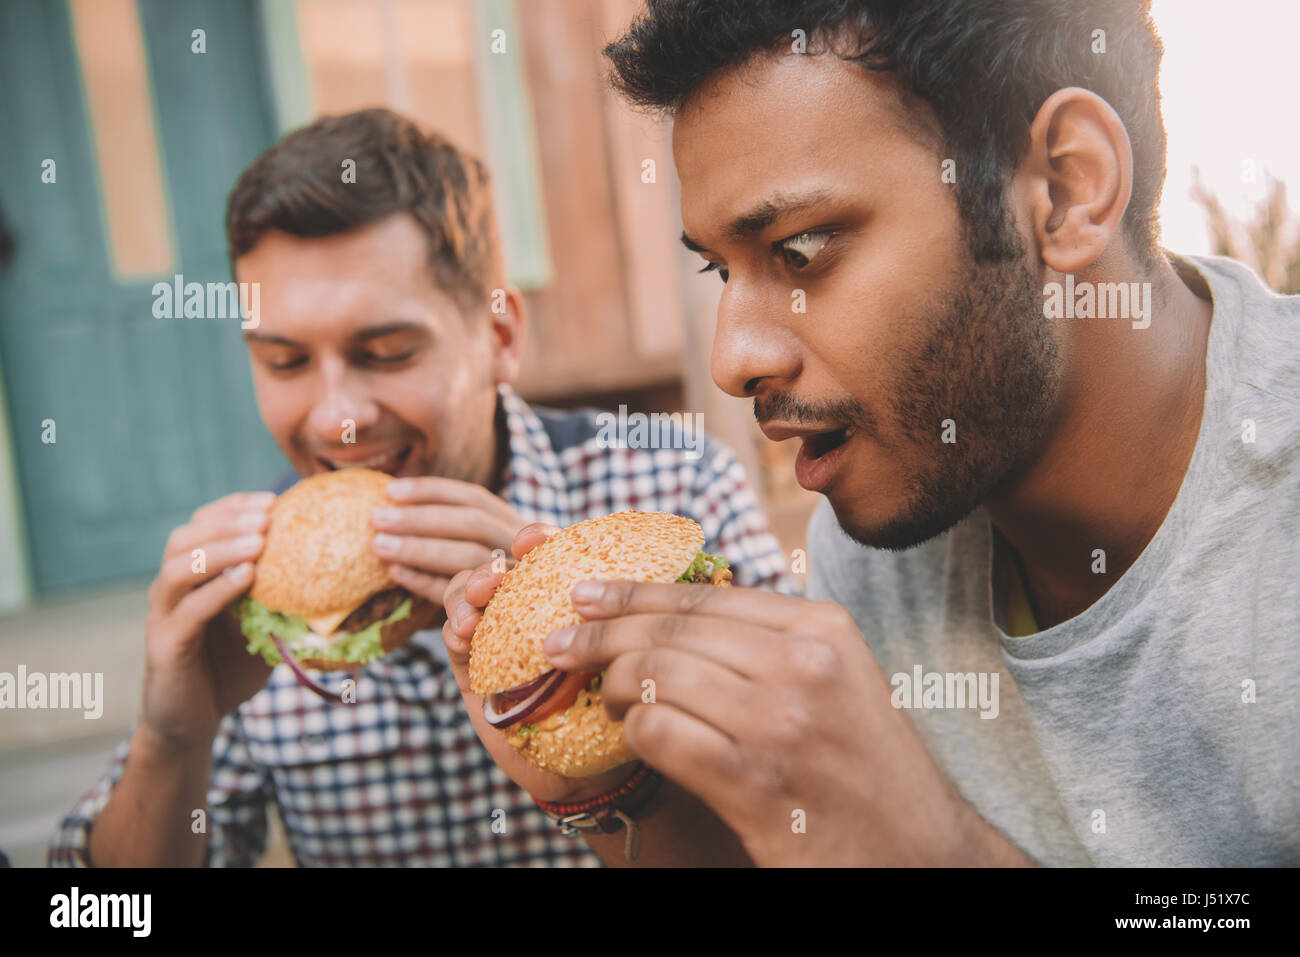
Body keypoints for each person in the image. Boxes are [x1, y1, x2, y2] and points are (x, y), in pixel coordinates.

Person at [443, 0, 1299, 866]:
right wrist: (616, 789)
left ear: (1068, 190)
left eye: (802, 250)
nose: (732, 360)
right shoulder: (881, 531)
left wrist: (942, 851)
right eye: (718, 269)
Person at [48, 108, 792, 867]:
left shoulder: (675, 489)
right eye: (284, 362)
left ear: (498, 337)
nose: (337, 419)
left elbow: (806, 815)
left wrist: (552, 620)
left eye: (389, 352)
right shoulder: (253, 595)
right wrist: (175, 738)